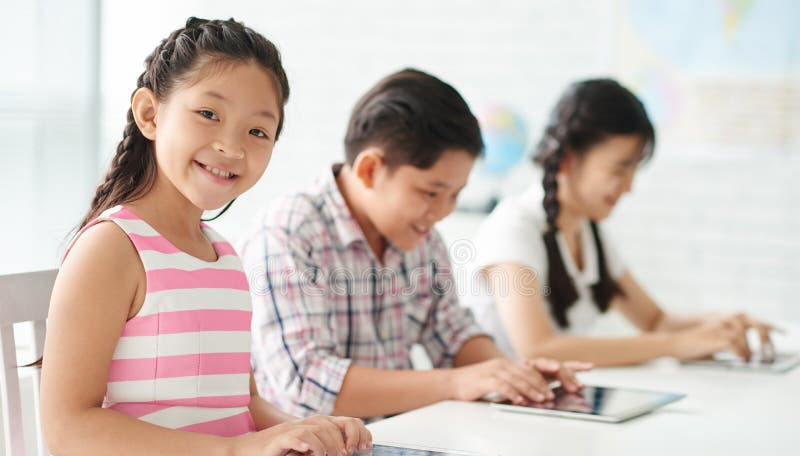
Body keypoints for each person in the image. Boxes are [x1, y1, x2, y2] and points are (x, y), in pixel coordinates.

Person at [0, 17, 370, 456]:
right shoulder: (112, 247)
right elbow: (67, 428)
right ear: (151, 114)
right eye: (208, 114)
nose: (232, 146)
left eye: (258, 130)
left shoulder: (224, 254)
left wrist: (309, 432)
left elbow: (243, 404)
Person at [241, 68, 589, 420]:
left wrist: (513, 375)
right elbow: (308, 383)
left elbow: (454, 334)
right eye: (431, 192)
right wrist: (455, 383)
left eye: (455, 194)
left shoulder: (422, 238)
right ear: (369, 170)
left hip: (398, 445)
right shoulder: (289, 231)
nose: (442, 211)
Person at [464, 78, 774, 366]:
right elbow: (537, 348)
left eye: (633, 171)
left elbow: (655, 321)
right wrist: (672, 345)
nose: (628, 187)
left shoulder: (590, 233)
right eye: (619, 170)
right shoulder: (512, 228)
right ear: (568, 159)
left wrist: (721, 325)